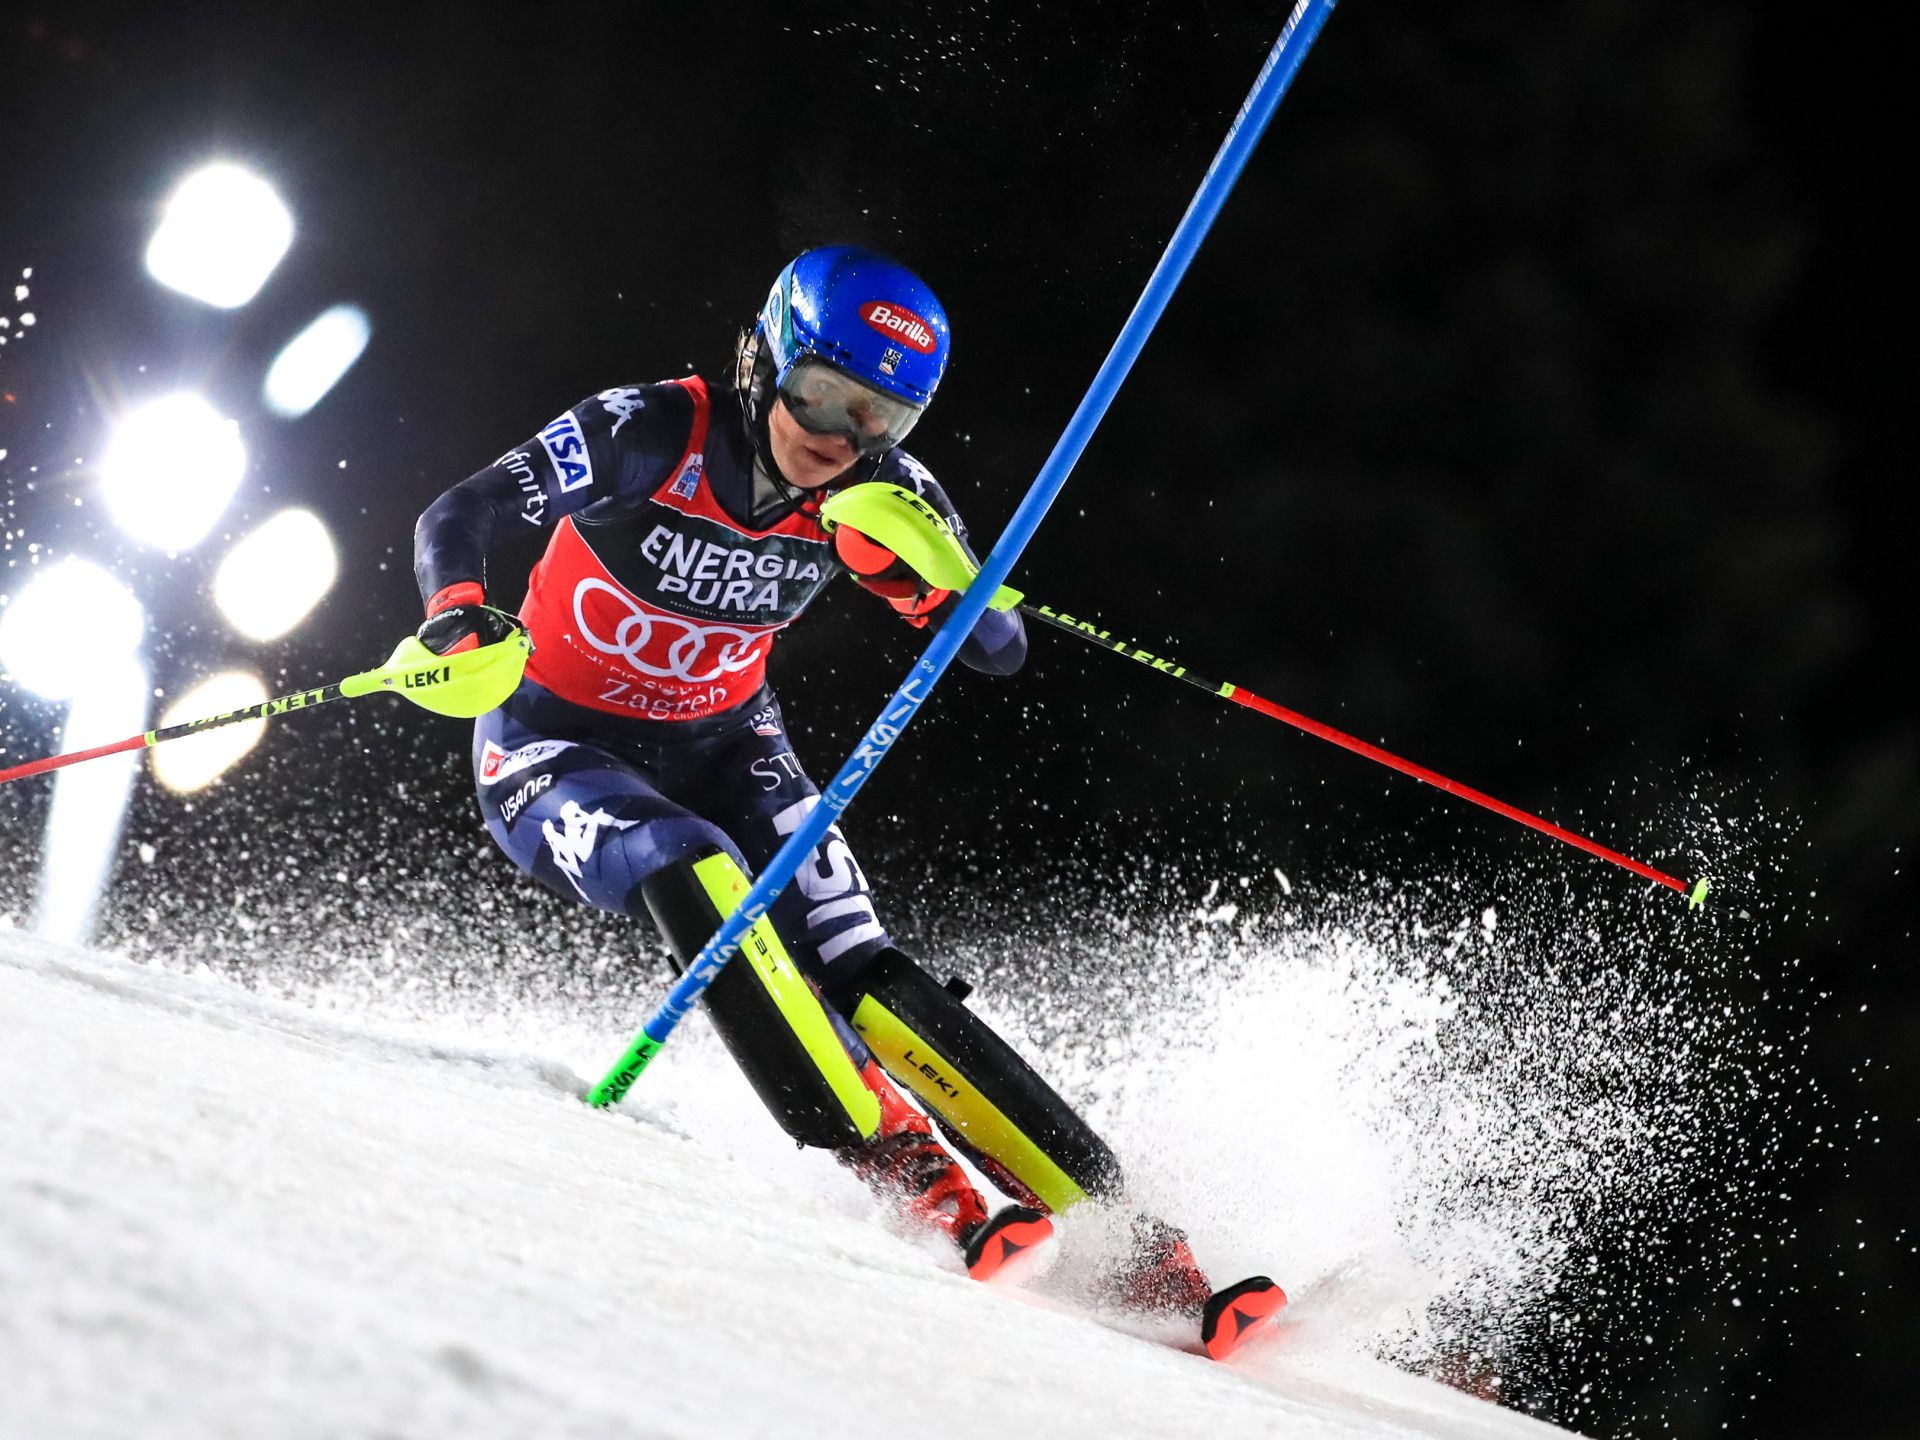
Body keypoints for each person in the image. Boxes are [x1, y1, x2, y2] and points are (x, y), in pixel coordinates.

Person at [411, 246, 1269, 1337]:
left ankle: (1135, 1243)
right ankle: (907, 1166)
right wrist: (459, 611)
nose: (839, 437)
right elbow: (464, 509)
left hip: (729, 748)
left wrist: (923, 586)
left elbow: (1000, 646)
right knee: (693, 868)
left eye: (880, 417)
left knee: (858, 959)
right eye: (821, 395)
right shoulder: (652, 431)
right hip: (554, 747)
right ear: (764, 361)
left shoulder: (883, 493)